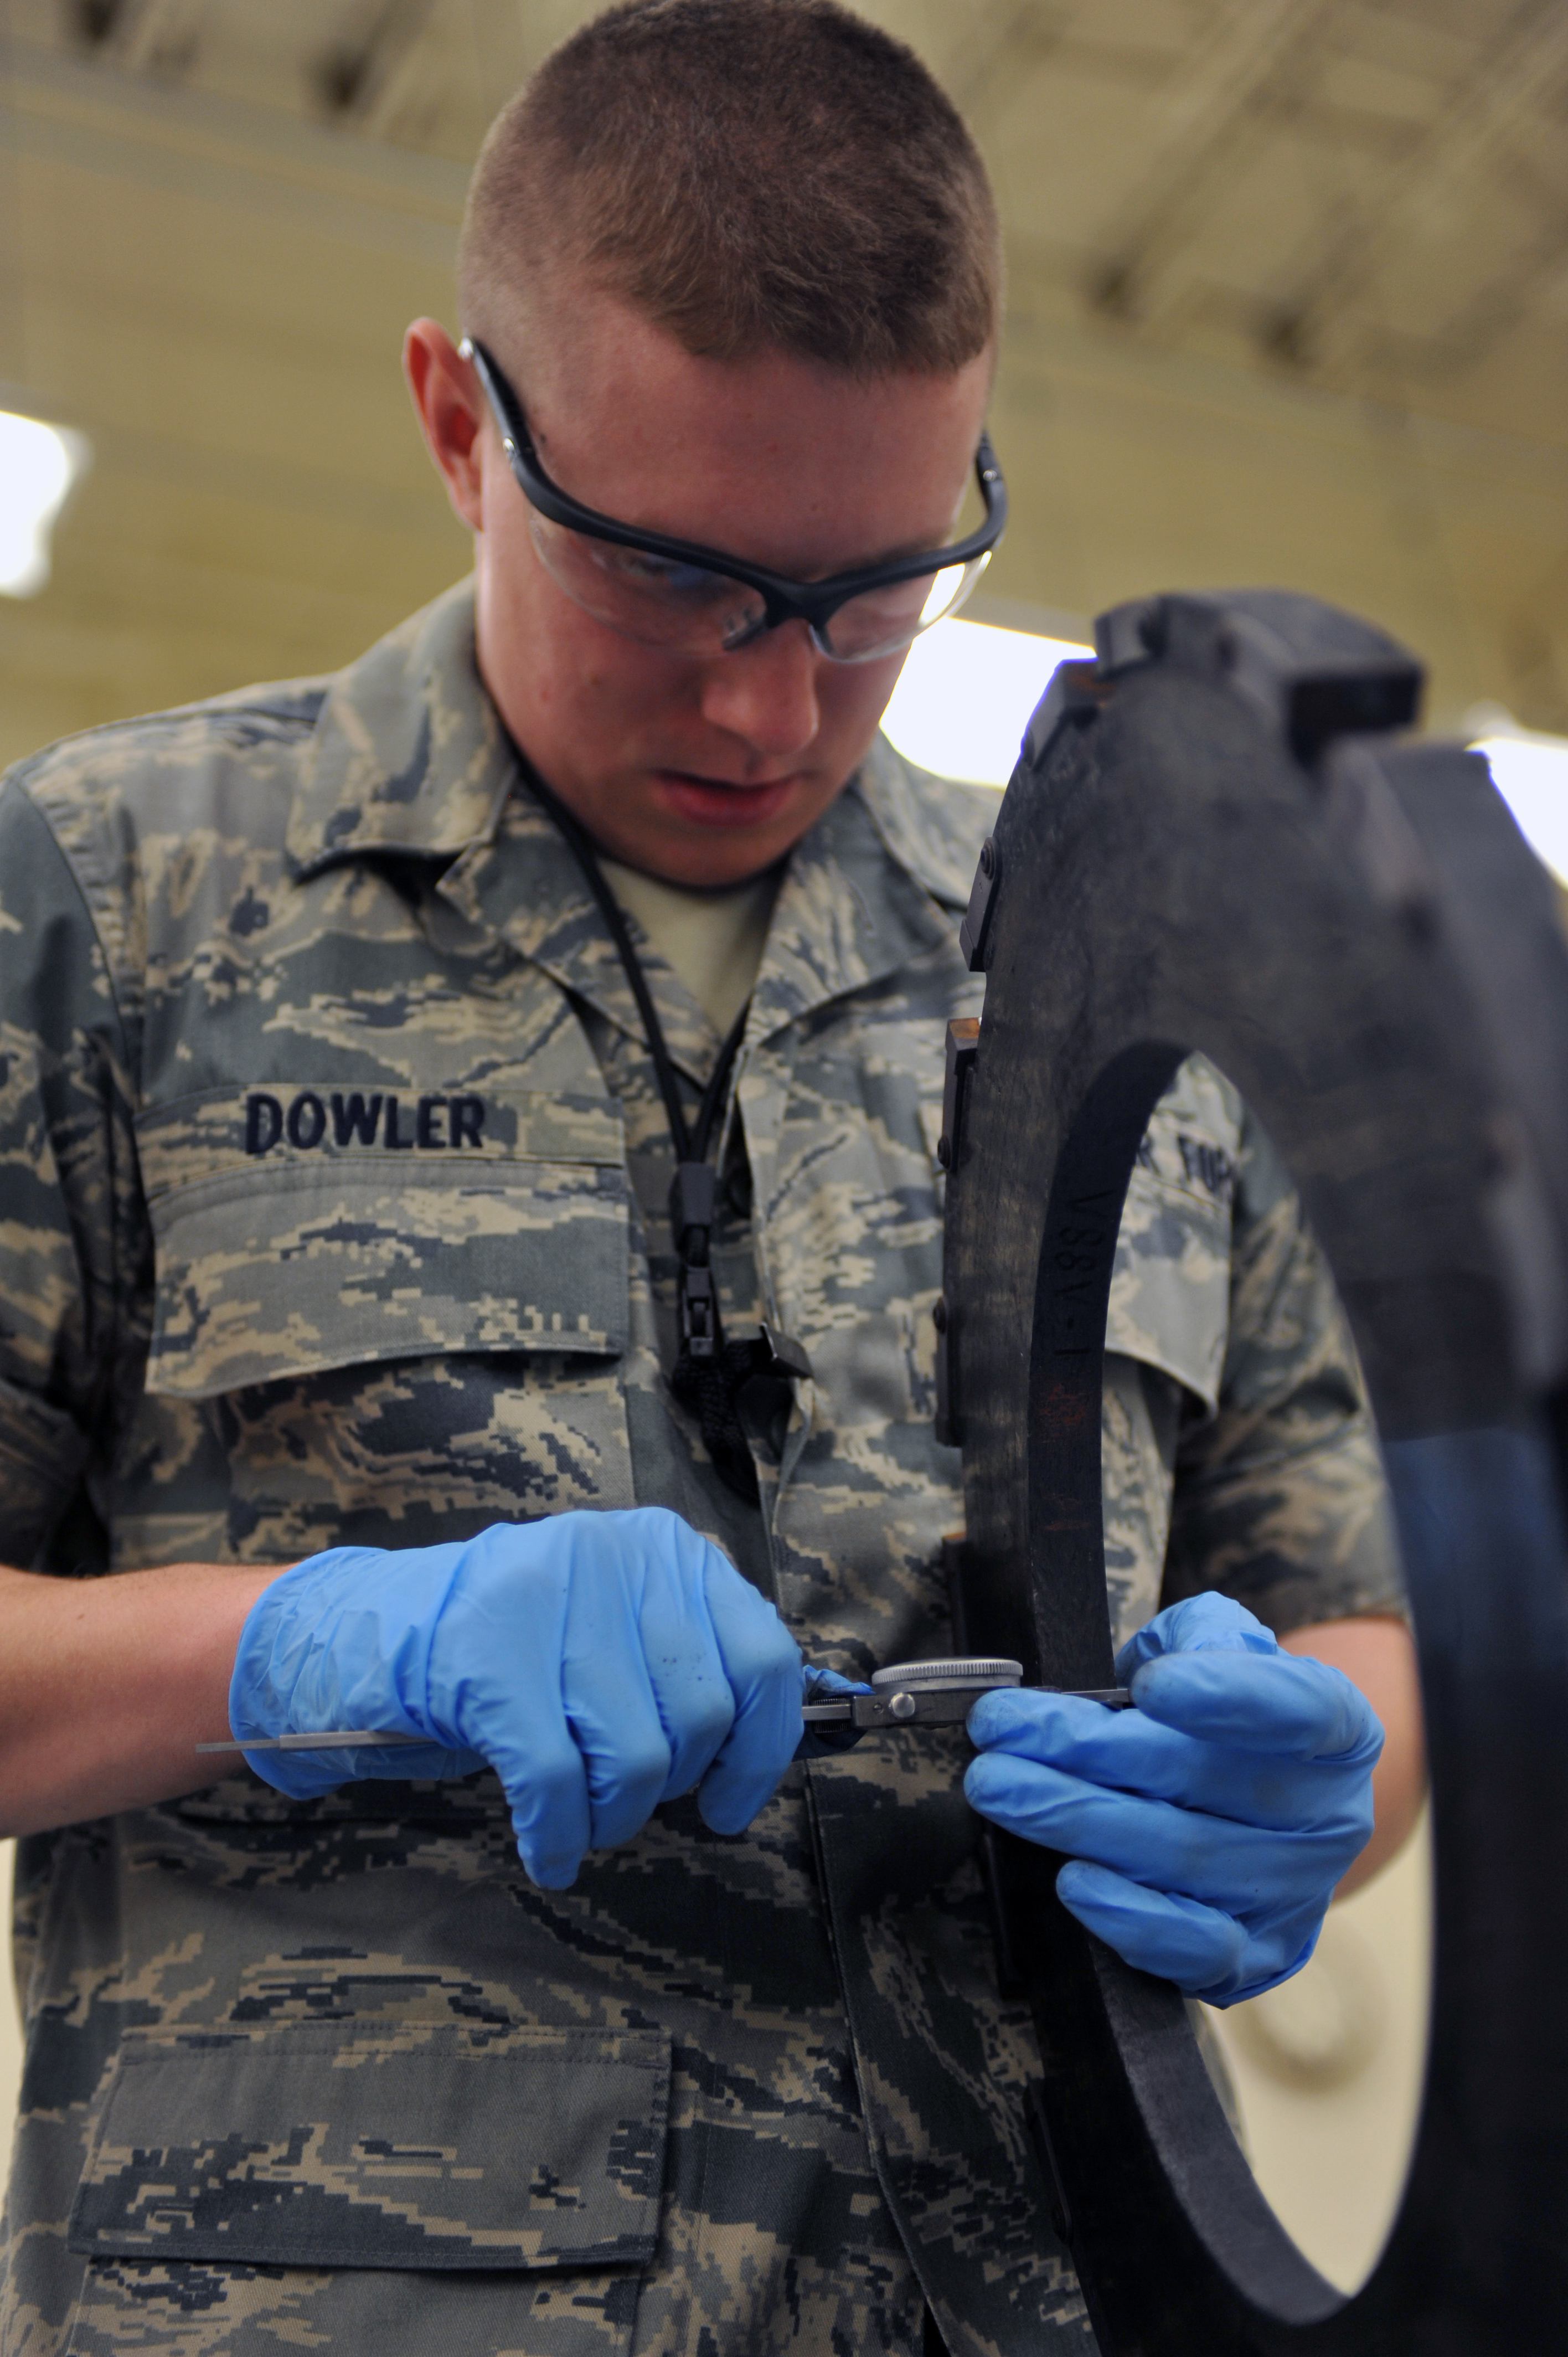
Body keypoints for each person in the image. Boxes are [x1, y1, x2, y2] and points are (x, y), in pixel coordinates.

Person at [0, 4, 1421, 2352]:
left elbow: (1347, 1597)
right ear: (463, 423)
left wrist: (1327, 1777)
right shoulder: (105, 905)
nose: (774, 703)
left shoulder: (1116, 990)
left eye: (880, 589)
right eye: (677, 576)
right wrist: (311, 1641)